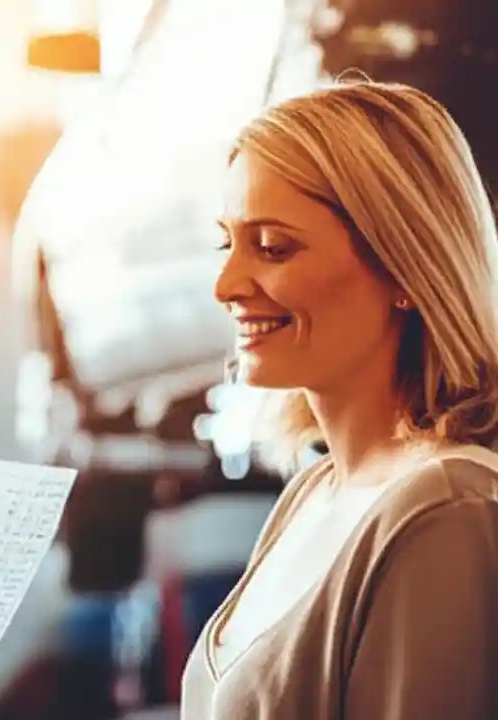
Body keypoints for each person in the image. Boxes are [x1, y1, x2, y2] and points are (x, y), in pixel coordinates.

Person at [182, 80, 498, 718]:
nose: (226, 284)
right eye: (227, 243)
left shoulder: (445, 511)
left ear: (405, 267)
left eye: (273, 247)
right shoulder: (314, 491)